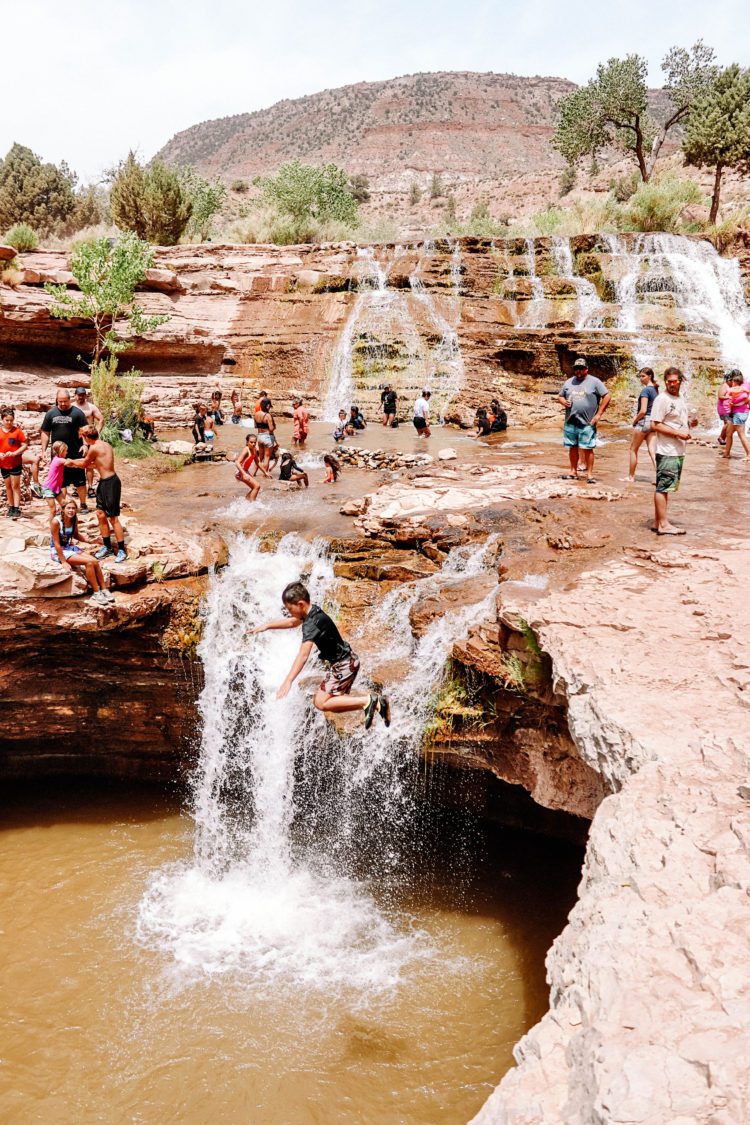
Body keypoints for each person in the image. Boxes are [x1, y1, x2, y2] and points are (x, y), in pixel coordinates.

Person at [250, 580, 390, 728]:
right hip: (347, 662)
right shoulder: (313, 612)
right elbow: (292, 622)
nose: (289, 613)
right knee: (327, 702)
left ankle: (368, 701)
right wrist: (268, 626)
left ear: (301, 605)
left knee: (320, 702)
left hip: (344, 666)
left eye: (290, 609)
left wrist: (288, 680)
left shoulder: (311, 624)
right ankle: (378, 705)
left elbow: (303, 655)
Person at [66, 427, 127, 562]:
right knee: (100, 514)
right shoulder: (105, 444)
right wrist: (75, 463)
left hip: (110, 484)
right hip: (104, 482)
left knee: (113, 518)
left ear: (86, 437)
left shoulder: (94, 448)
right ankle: (107, 547)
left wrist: (71, 462)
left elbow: (84, 463)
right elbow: (98, 464)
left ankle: (122, 550)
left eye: (83, 437)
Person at [650, 366, 696, 535]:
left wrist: (690, 425)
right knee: (663, 487)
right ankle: (663, 525)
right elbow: (654, 424)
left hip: (677, 449)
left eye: (675, 381)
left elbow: (676, 421)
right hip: (667, 449)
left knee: (665, 486)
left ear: (680, 381)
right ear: (665, 382)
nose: (672, 384)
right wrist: (678, 433)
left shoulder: (680, 397)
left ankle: (657, 522)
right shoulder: (662, 399)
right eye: (669, 382)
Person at [50, 497, 114, 606]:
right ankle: (96, 592)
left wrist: (90, 541)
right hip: (59, 550)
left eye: (73, 508)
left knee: (95, 561)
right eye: (68, 508)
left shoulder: (74, 519)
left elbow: (76, 535)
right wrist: (63, 561)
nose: (71, 510)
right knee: (88, 563)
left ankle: (104, 589)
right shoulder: (56, 522)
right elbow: (56, 543)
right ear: (63, 509)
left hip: (69, 547)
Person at [558, 357, 610, 484]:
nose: (578, 371)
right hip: (571, 421)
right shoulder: (569, 382)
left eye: (581, 368)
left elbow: (607, 396)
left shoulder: (595, 382)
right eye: (576, 368)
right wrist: (563, 401)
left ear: (587, 368)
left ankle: (590, 475)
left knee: (588, 448)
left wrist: (599, 414)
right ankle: (573, 472)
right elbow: (560, 396)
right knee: (572, 447)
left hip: (587, 422)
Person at [40, 389, 89, 510]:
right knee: (61, 482)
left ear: (70, 399)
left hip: (76, 453)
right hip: (58, 455)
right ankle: (65, 506)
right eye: (60, 401)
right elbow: (45, 432)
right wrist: (43, 450)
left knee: (80, 481)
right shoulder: (51, 413)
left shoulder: (78, 413)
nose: (62, 404)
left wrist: (85, 445)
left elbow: (85, 430)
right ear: (57, 400)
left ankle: (83, 504)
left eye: (65, 401)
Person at [625, 368, 658, 482]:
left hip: (644, 421)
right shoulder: (655, 390)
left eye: (643, 376)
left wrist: (635, 421)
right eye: (640, 376)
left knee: (633, 449)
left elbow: (643, 410)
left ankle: (630, 477)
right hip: (653, 423)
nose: (641, 379)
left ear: (650, 376)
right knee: (652, 451)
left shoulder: (645, 391)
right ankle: (660, 478)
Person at [74, 386, 104, 498]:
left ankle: (90, 487)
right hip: (76, 439)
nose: (81, 397)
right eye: (79, 395)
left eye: (83, 395)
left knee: (89, 464)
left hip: (89, 439)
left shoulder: (90, 407)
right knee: (78, 463)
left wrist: (97, 433)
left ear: (85, 396)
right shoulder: (71, 407)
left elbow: (101, 419)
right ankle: (77, 487)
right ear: (75, 395)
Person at [0, 407, 28, 519]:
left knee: (15, 485)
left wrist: (15, 453)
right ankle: (10, 507)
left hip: (15, 462)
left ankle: (17, 508)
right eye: (7, 420)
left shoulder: (17, 431)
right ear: (2, 419)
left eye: (11, 420)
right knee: (8, 486)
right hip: (3, 464)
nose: (9, 422)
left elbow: (25, 445)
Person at [722, 369, 750, 460]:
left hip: (740, 413)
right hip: (735, 413)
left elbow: (745, 398)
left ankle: (749, 455)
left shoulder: (741, 388)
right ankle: (726, 453)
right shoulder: (743, 388)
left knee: (741, 434)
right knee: (728, 432)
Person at [42, 441, 68, 514]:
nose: (67, 453)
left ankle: (63, 523)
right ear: (61, 451)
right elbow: (71, 463)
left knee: (64, 505)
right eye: (65, 451)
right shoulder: (58, 460)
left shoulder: (56, 459)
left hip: (56, 488)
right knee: (53, 510)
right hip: (49, 489)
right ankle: (52, 525)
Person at [234, 436, 263, 501]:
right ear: (247, 442)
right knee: (257, 486)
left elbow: (258, 462)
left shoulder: (254, 449)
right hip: (240, 472)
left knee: (254, 488)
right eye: (251, 442)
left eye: (255, 442)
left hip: (245, 471)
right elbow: (237, 462)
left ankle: (246, 500)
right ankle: (252, 504)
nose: (253, 444)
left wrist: (265, 472)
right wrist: (244, 474)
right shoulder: (246, 450)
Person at [254, 397, 277, 471]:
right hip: (267, 437)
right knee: (267, 457)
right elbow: (271, 429)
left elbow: (255, 426)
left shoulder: (256, 414)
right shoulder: (267, 415)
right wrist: (274, 426)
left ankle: (254, 473)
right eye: (269, 406)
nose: (269, 408)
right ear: (267, 406)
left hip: (259, 437)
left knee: (260, 458)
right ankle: (265, 475)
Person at [716, 375, 732, 446]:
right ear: (728, 380)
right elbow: (720, 396)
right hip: (723, 408)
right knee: (728, 423)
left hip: (728, 408)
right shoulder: (724, 386)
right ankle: (721, 437)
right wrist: (728, 397)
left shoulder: (730, 386)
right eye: (732, 381)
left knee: (728, 424)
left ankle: (723, 439)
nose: (733, 382)